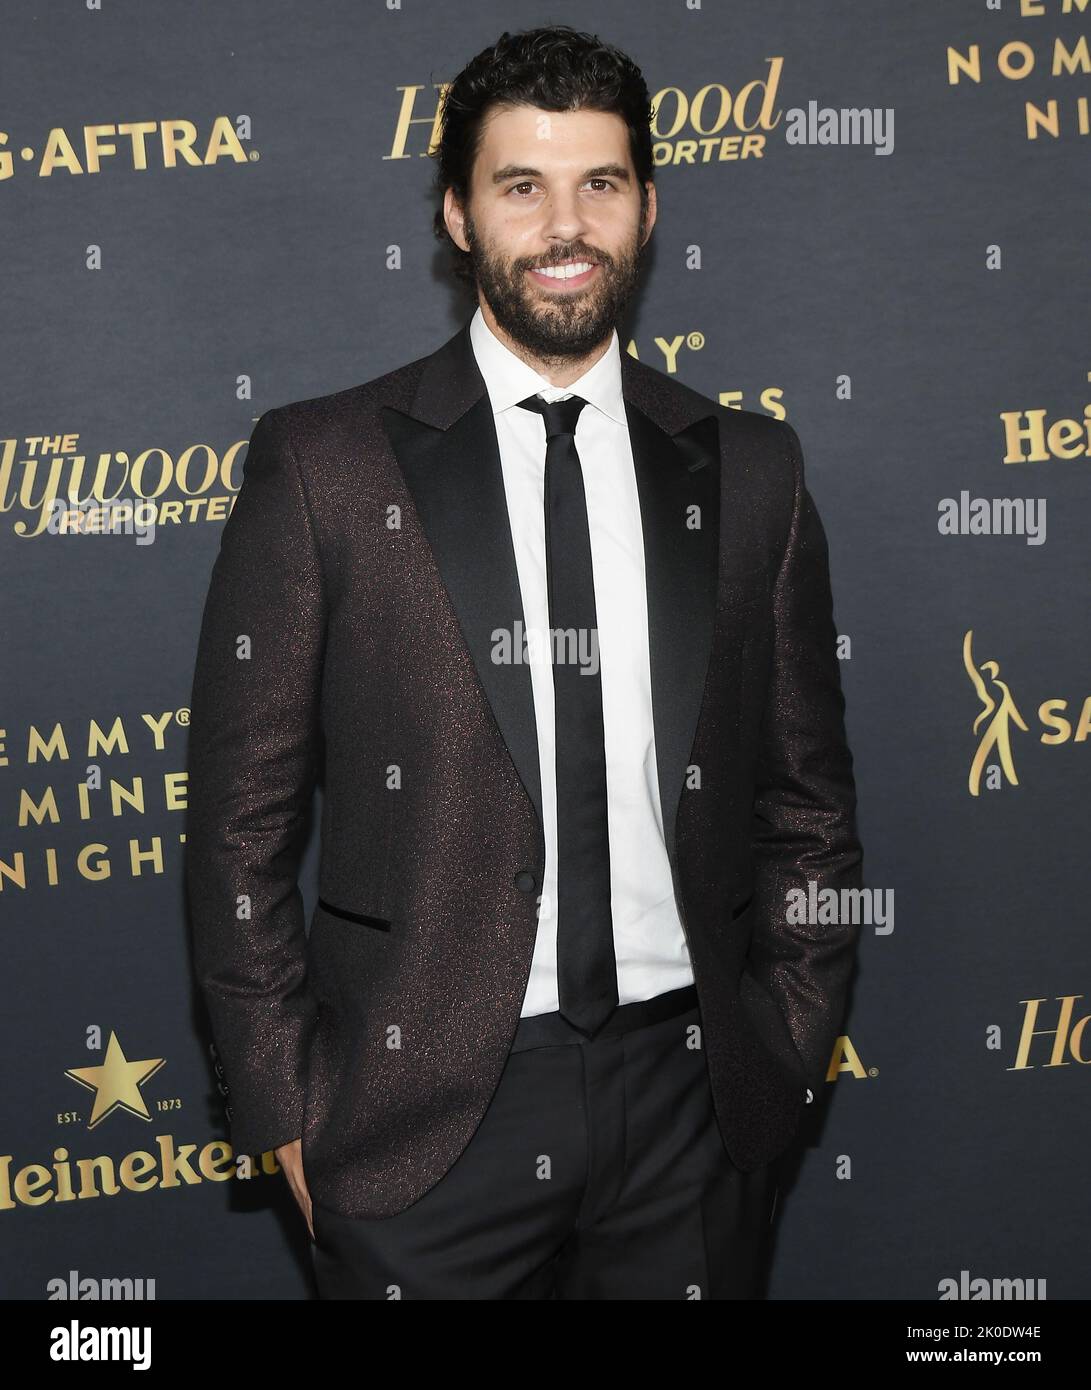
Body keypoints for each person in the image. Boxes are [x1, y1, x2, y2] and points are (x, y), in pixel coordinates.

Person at [185, 24, 864, 1300]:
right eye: (520, 186)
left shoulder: (749, 469)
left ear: (646, 207)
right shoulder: (326, 466)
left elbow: (808, 803)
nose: (564, 226)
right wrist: (284, 1102)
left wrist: (785, 1037)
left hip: (693, 1105)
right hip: (416, 1114)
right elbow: (238, 823)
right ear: (456, 214)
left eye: (598, 183)